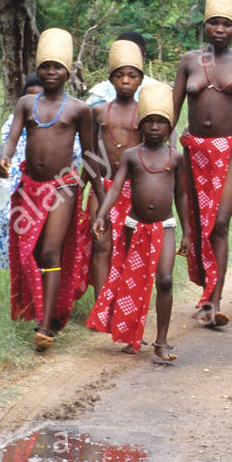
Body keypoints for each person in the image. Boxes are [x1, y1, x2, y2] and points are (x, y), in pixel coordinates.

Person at [0, 28, 97, 351]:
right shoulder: (27, 103)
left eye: (57, 67)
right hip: (29, 187)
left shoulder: (79, 109)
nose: (51, 72)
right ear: (38, 68)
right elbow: (12, 137)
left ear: (69, 71)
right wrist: (4, 157)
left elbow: (93, 155)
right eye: (46, 66)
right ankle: (43, 311)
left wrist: (102, 198)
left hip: (63, 187)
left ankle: (45, 327)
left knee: (52, 251)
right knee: (34, 252)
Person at [172, 0, 232, 328]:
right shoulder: (189, 62)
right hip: (194, 150)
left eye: (227, 24)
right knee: (198, 224)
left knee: (220, 223)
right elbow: (172, 108)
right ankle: (206, 291)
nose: (221, 30)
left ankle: (215, 300)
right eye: (215, 23)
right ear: (205, 25)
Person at [87, 80, 188, 365]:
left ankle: (163, 340)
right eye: (149, 122)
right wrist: (102, 214)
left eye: (161, 122)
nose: (155, 127)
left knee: (165, 280)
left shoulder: (176, 158)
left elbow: (181, 196)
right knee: (135, 280)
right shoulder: (132, 156)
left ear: (170, 127)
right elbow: (117, 188)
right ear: (140, 126)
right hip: (134, 226)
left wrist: (187, 233)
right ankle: (133, 334)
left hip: (165, 226)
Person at [0, 74, 81, 271]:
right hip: (24, 187)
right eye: (31, 98)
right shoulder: (14, 124)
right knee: (28, 244)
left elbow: (77, 155)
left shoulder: (67, 119)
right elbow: (6, 150)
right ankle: (31, 292)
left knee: (51, 245)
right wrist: (1, 169)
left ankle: (47, 295)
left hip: (59, 186)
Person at [88, 39, 145, 292]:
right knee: (101, 244)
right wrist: (83, 186)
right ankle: (102, 305)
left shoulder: (146, 114)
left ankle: (127, 301)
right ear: (111, 80)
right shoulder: (99, 112)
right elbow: (90, 153)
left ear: (140, 80)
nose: (125, 80)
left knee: (131, 246)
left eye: (132, 75)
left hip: (135, 188)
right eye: (119, 75)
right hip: (102, 186)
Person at [87, 32, 147, 107]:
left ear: (143, 57)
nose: (125, 81)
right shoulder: (101, 93)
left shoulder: (154, 90)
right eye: (121, 54)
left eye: (132, 76)